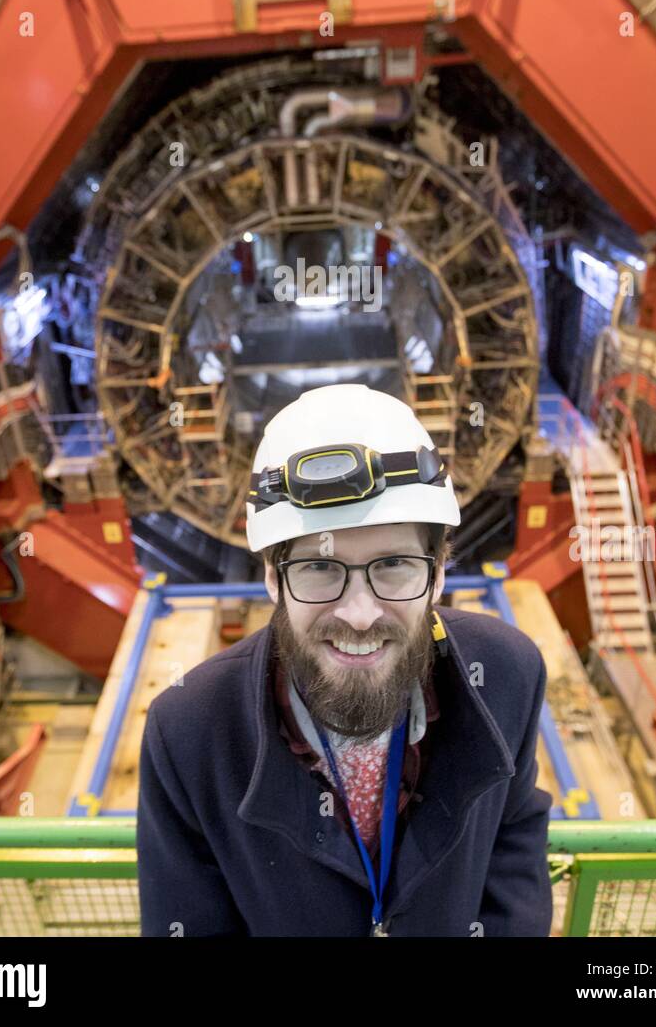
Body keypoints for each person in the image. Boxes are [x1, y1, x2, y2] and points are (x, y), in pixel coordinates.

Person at [137, 383, 553, 937]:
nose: (359, 614)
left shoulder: (506, 675)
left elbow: (514, 842)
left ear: (439, 571)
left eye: (395, 565)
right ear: (270, 577)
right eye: (319, 568)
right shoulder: (188, 733)